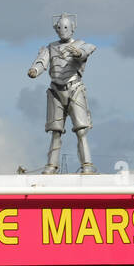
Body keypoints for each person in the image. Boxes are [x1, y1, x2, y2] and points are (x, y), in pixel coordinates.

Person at [27, 13, 96, 174]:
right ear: (56, 29)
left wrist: (78, 53)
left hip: (74, 88)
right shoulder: (51, 47)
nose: (63, 30)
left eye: (66, 27)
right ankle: (51, 165)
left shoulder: (80, 44)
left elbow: (88, 49)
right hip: (56, 91)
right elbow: (42, 60)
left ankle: (87, 164)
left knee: (81, 130)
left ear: (72, 28)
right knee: (55, 131)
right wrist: (34, 70)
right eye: (60, 27)